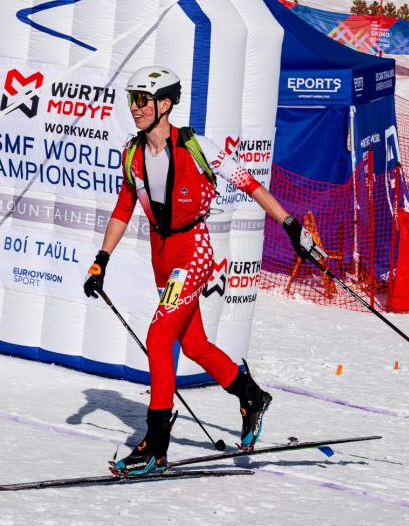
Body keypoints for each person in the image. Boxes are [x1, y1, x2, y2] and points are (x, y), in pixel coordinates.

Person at [84, 66, 325, 477]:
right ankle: (251, 396)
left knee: (159, 339)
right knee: (192, 344)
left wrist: (290, 225)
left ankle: (155, 445)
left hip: (193, 252)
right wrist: (100, 260)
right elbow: (124, 209)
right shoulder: (133, 153)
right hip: (163, 255)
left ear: (165, 104)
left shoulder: (197, 147)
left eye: (143, 99)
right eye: (132, 99)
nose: (135, 107)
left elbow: (251, 184)